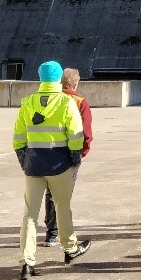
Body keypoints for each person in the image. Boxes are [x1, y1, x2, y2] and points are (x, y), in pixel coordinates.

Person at [12, 60, 92, 279]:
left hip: (34, 165)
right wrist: (74, 158)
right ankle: (70, 248)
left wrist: (24, 159)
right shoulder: (66, 103)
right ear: (58, 79)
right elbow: (76, 135)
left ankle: (27, 262)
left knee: (29, 214)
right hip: (59, 165)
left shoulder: (28, 102)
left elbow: (18, 137)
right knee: (62, 207)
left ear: (40, 78)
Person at [43, 67, 92, 247]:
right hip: (70, 154)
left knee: (50, 193)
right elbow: (86, 133)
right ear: (76, 84)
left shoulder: (50, 99)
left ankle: (51, 233)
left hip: (47, 151)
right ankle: (65, 237)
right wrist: (82, 153)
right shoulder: (79, 102)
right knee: (63, 196)